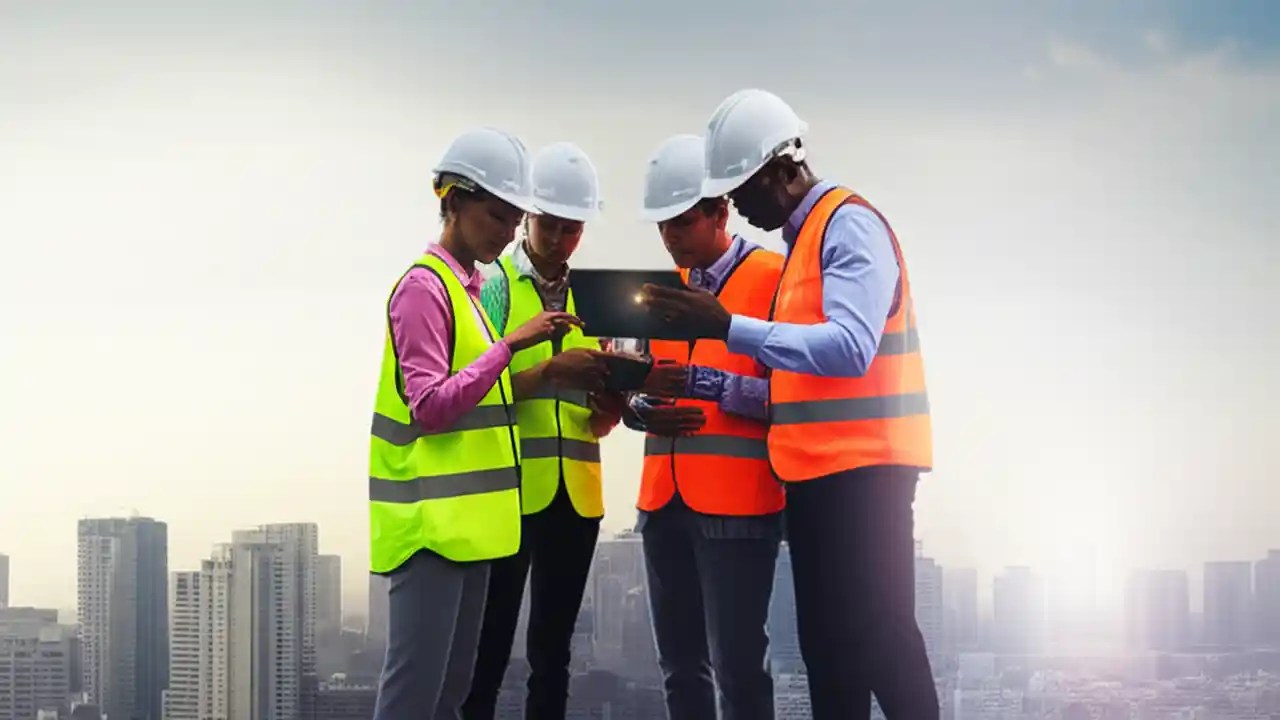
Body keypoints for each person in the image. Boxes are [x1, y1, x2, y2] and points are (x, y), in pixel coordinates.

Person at [641, 90, 938, 720]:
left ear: (781, 169)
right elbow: (793, 377)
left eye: (742, 189)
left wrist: (729, 328)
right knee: (830, 650)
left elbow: (852, 347)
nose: (739, 209)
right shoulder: (805, 243)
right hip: (815, 476)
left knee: (882, 637)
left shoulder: (849, 224)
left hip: (868, 473)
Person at [368, 126, 581, 720]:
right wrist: (509, 347)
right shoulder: (423, 289)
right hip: (431, 530)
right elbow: (430, 407)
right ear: (454, 203)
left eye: (515, 219)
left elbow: (483, 405)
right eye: (496, 215)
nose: (508, 231)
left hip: (474, 532)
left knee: (452, 694)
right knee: (414, 695)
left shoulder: (471, 290)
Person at [625, 133, 786, 720]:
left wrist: (708, 386)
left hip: (739, 508)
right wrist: (644, 408)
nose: (669, 236)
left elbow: (790, 397)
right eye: (661, 225)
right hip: (661, 503)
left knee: (740, 670)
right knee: (679, 671)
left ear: (720, 210)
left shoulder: (773, 279)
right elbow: (635, 391)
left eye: (682, 222)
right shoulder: (657, 288)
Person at [463, 141, 625, 720]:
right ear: (527, 216)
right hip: (509, 493)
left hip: (577, 494)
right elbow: (476, 388)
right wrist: (553, 371)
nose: (560, 241)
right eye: (551, 226)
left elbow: (600, 417)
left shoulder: (596, 298)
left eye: (572, 230)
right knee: (487, 649)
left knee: (553, 654)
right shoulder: (494, 287)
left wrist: (613, 398)